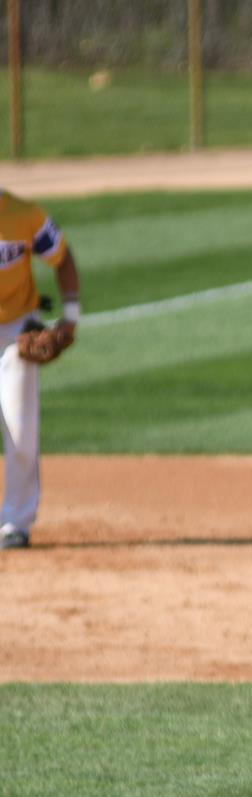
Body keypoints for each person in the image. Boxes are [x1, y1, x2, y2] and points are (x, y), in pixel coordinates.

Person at [0, 189, 80, 550]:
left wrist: (70, 318)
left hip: (17, 330)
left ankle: (16, 521)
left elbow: (62, 258)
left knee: (19, 428)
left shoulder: (24, 215)